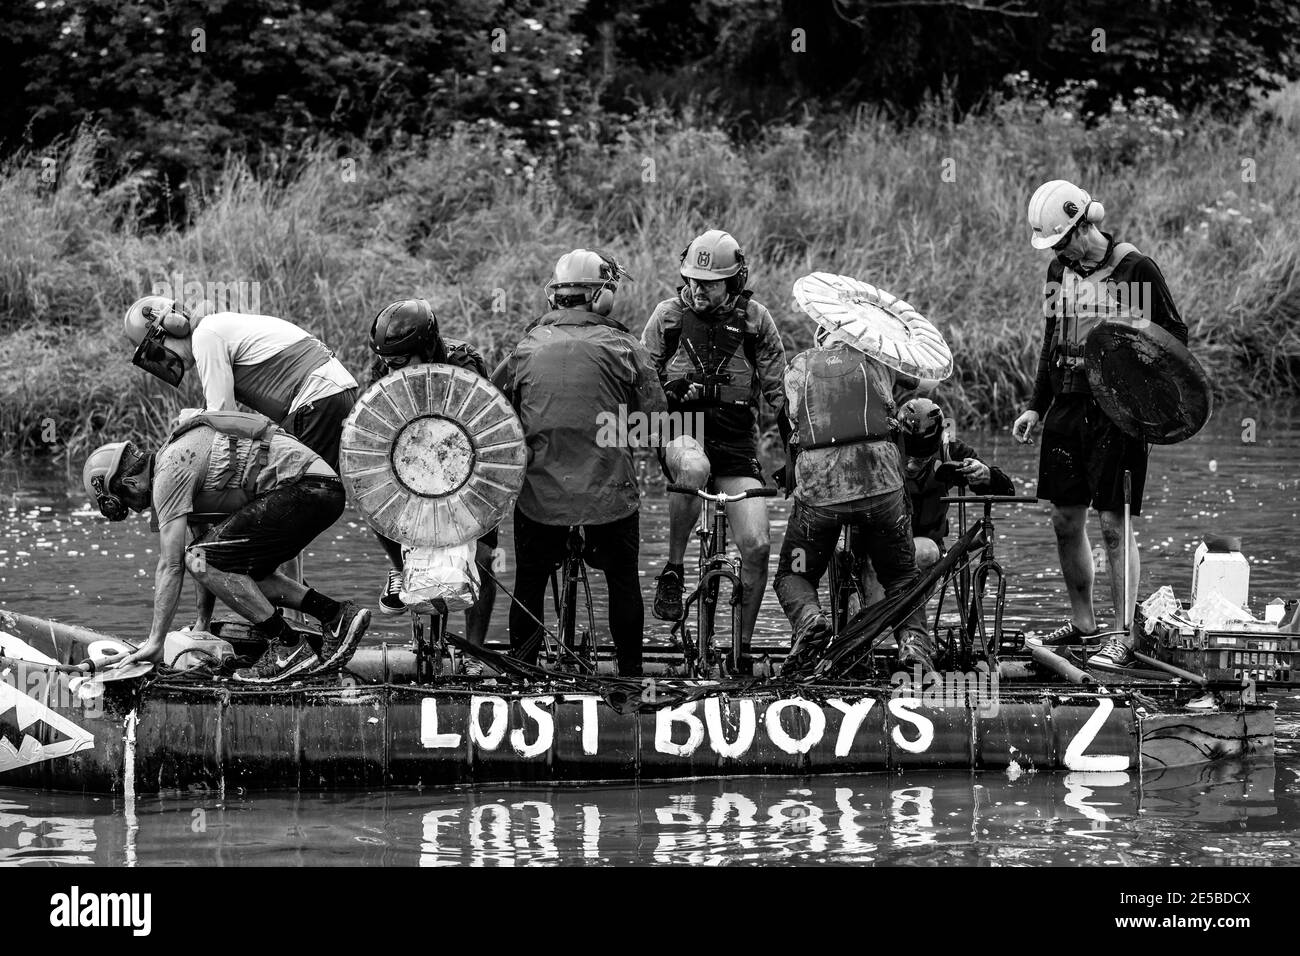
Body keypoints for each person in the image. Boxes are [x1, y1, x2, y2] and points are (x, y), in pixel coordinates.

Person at [1012, 180, 1188, 669]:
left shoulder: (1135, 267)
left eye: (1064, 240)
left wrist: (1139, 375)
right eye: (1054, 245)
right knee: (1065, 519)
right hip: (1067, 408)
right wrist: (1035, 405)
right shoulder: (1058, 269)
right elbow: (1053, 339)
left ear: (1086, 222)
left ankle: (1122, 634)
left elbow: (1175, 335)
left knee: (1115, 524)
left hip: (1118, 411)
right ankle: (1084, 623)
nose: (1061, 251)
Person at [82, 410, 371, 682]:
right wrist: (202, 624)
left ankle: (289, 646)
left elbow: (172, 565)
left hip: (306, 488)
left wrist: (156, 642)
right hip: (322, 490)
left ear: (130, 482)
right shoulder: (180, 465)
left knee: (198, 558)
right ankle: (335, 614)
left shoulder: (169, 472)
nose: (135, 509)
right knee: (241, 571)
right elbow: (206, 552)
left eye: (126, 504)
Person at [492, 249, 667, 677]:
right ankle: (630, 678)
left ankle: (524, 677)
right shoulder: (626, 348)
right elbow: (656, 425)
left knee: (529, 584)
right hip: (609, 498)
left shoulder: (525, 347)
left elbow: (493, 413)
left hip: (540, 500)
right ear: (602, 297)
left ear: (555, 297)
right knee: (623, 579)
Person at [640, 230, 788, 673]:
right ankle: (672, 568)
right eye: (692, 279)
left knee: (758, 545)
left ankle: (739, 652)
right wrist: (667, 395)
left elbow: (780, 393)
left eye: (709, 282)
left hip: (737, 446)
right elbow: (643, 385)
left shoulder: (756, 320)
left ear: (734, 281)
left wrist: (796, 456)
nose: (697, 289)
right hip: (682, 433)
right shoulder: (667, 316)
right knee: (696, 466)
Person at [772, 332, 933, 675]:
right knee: (902, 575)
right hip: (880, 489)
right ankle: (914, 647)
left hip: (820, 496)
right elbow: (919, 381)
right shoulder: (879, 356)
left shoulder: (798, 365)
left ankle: (810, 620)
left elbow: (789, 420)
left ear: (821, 336)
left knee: (794, 572)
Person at [367, 299, 497, 674]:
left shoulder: (463, 364)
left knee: (483, 559)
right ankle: (400, 570)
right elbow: (376, 424)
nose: (391, 368)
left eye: (401, 361)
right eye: (387, 361)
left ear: (426, 348)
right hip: (413, 462)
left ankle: (474, 653)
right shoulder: (385, 366)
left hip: (465, 463)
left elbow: (482, 420)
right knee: (378, 506)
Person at [122, 297, 359, 469]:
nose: (162, 360)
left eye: (156, 353)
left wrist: (193, 420)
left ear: (172, 327)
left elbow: (223, 418)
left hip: (316, 399)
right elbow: (235, 419)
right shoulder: (217, 327)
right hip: (333, 394)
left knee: (288, 497)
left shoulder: (206, 335)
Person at [898, 397, 1015, 567]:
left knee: (926, 552)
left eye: (920, 460)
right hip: (884, 544)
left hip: (927, 548)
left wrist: (986, 474)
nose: (910, 465)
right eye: (906, 456)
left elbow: (1008, 490)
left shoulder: (950, 449)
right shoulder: (882, 445)